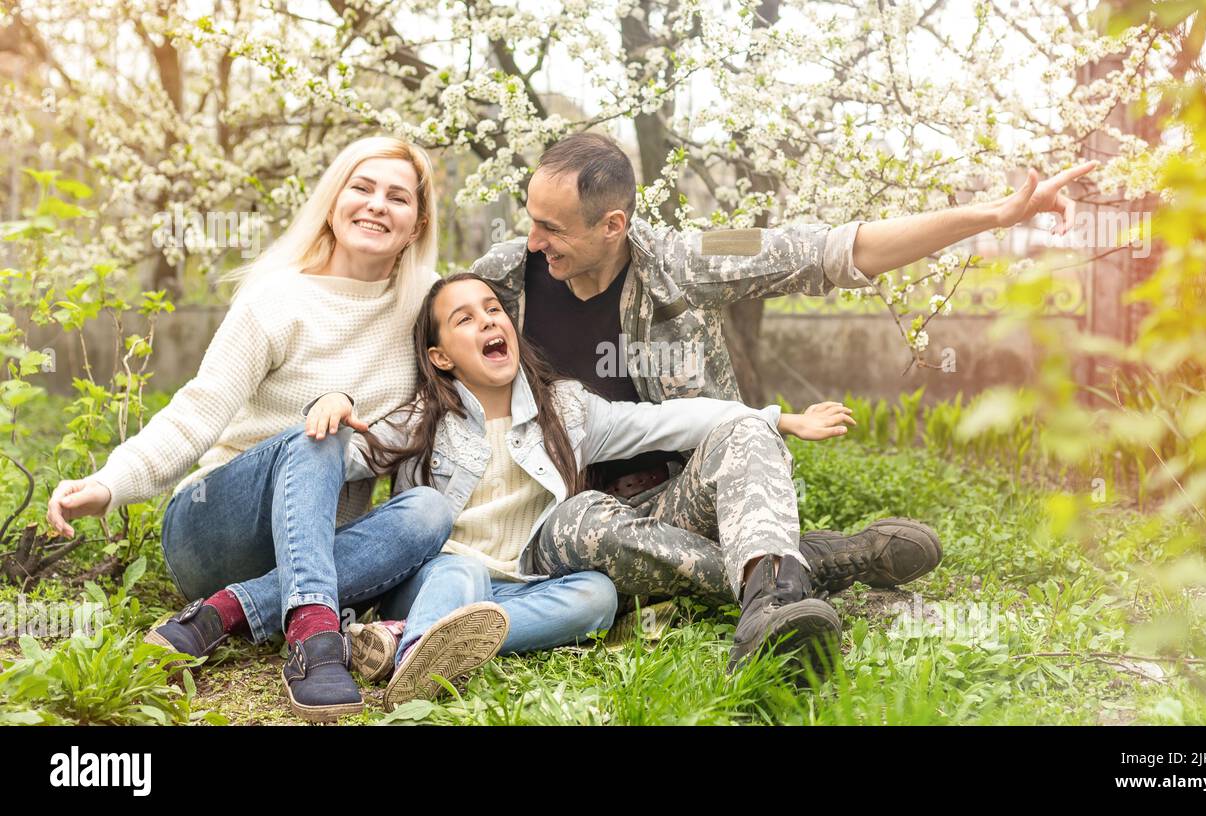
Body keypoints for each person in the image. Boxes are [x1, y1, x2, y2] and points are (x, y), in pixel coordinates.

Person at [470, 132, 1059, 601]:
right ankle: (795, 569)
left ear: (612, 225)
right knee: (581, 525)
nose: (533, 240)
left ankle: (767, 583)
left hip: (690, 501)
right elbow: (435, 332)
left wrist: (992, 216)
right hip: (577, 522)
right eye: (531, 219)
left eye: (551, 228)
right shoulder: (503, 281)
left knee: (746, 428)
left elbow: (831, 251)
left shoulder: (687, 261)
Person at [44, 135, 446, 722]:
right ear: (333, 202)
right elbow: (197, 410)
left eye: (398, 197)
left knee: (430, 510)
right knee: (320, 431)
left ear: (417, 223)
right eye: (361, 188)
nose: (376, 205)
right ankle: (314, 640)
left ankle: (226, 613)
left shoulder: (424, 304)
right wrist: (109, 484)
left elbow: (437, 401)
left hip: (316, 547)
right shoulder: (277, 299)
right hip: (216, 529)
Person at [320, 272, 856, 708]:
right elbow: (341, 460)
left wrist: (777, 418)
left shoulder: (566, 408)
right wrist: (332, 404)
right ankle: (418, 651)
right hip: (441, 577)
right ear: (441, 357)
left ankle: (425, 642)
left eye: (493, 309)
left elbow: (664, 422)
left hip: (526, 582)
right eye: (464, 318)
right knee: (463, 572)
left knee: (596, 596)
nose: (487, 320)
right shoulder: (419, 419)